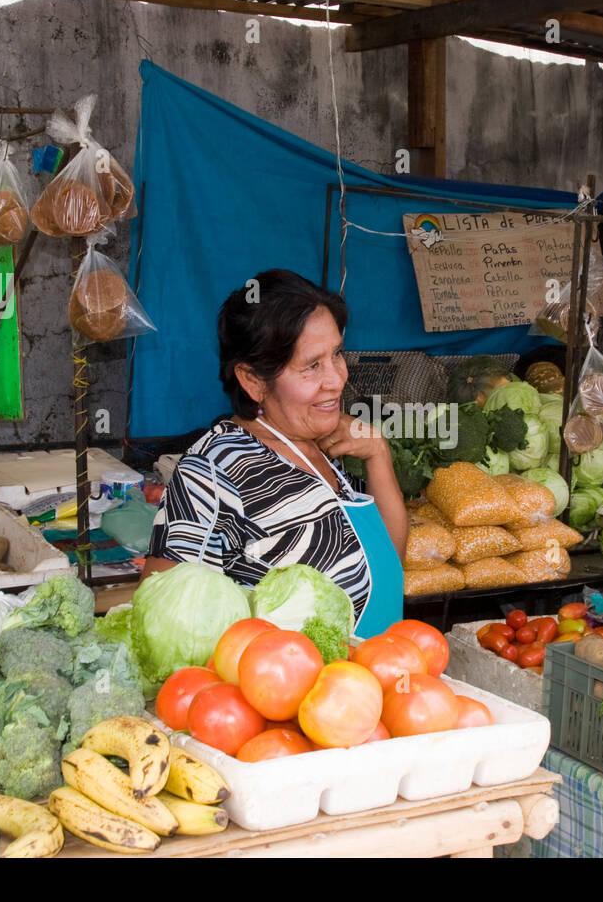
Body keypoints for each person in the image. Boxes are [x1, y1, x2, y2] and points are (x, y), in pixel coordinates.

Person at [143, 269, 407, 637]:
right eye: (312, 366)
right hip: (291, 691)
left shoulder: (321, 444)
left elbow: (385, 565)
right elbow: (164, 624)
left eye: (337, 355)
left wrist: (378, 454)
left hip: (366, 683)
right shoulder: (214, 471)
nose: (336, 379)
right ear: (253, 380)